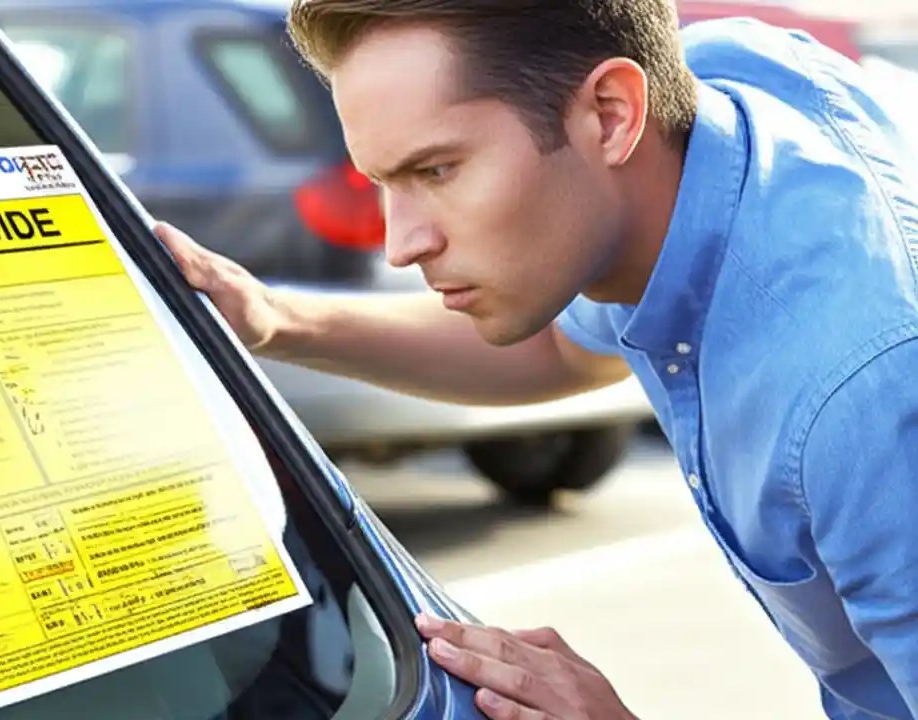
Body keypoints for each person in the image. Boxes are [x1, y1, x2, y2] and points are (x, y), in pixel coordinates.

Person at [154, 0, 918, 718]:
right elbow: (565, 348)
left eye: (437, 170)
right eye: (383, 182)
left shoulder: (864, 406)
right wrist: (275, 318)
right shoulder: (724, 80)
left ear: (612, 115)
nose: (401, 242)